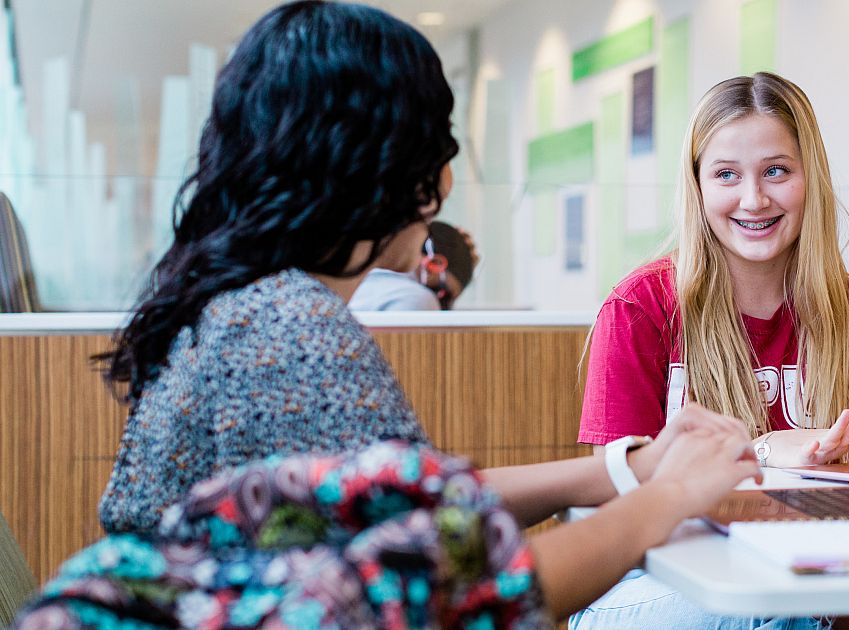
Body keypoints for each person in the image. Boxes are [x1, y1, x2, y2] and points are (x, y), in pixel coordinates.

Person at [33, 2, 762, 625]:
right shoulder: (288, 332)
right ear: (372, 160)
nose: (445, 179)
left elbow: (405, 505)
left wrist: (621, 470)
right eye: (435, 143)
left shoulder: (240, 300)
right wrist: (667, 498)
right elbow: (463, 590)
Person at [571, 73, 849, 629]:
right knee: (784, 607)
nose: (754, 199)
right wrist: (763, 454)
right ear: (697, 186)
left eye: (776, 170)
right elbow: (605, 502)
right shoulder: (640, 308)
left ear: (808, 177)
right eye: (726, 174)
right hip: (653, 580)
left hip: (808, 563)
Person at [348, 219, 480, 311]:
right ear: (435, 263)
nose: (442, 304)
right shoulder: (418, 298)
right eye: (444, 295)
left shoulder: (356, 274)